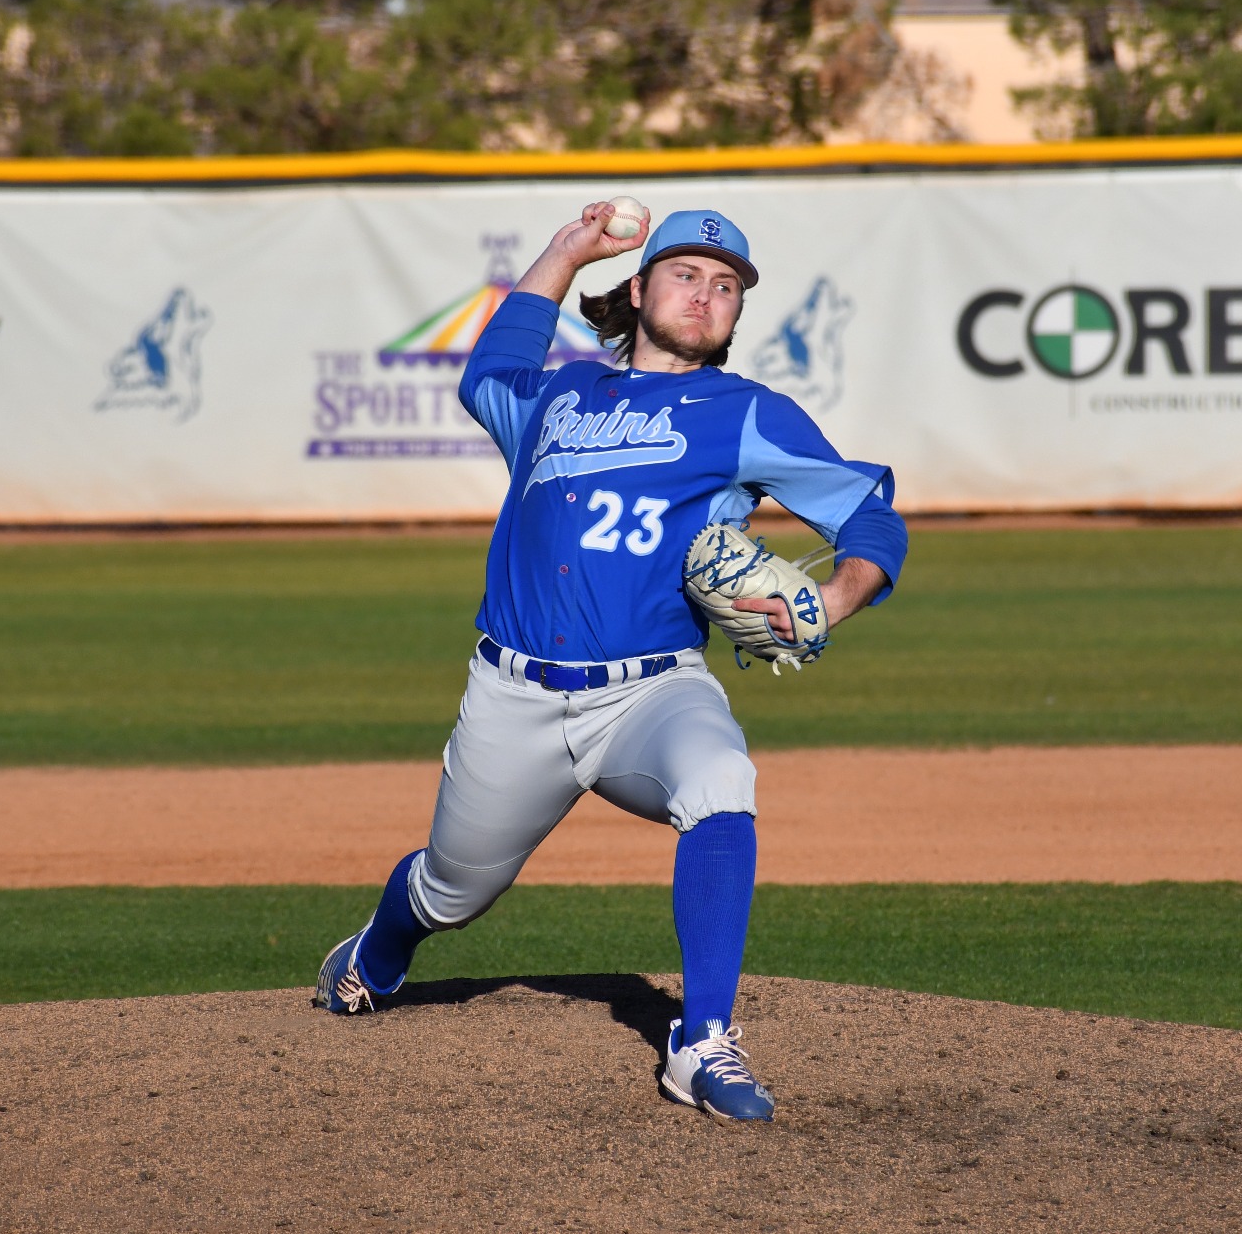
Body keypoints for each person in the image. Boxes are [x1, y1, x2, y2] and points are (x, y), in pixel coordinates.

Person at [314, 201, 907, 1122]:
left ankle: (701, 1038)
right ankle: (375, 954)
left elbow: (868, 511)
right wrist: (564, 250)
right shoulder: (560, 394)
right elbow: (491, 369)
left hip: (654, 692)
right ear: (637, 290)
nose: (706, 294)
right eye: (686, 274)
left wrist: (836, 598)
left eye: (726, 286)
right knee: (450, 887)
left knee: (721, 778)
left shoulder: (748, 414)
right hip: (512, 692)